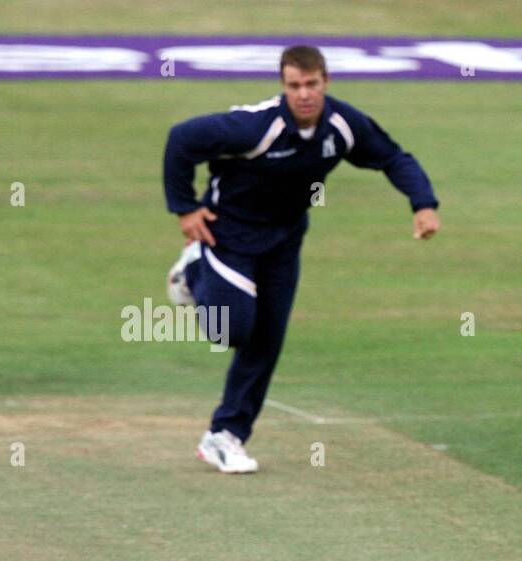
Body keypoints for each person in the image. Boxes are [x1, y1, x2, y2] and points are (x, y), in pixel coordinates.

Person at [162, 44, 441, 473]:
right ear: (283, 87)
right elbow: (182, 138)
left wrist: (423, 203)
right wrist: (184, 208)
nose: (304, 94)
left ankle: (225, 435)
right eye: (294, 86)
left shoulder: (342, 125)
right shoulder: (256, 127)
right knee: (233, 330)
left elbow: (391, 156)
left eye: (312, 84)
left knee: (268, 339)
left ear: (325, 83)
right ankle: (192, 270)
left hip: (284, 241)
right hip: (227, 235)